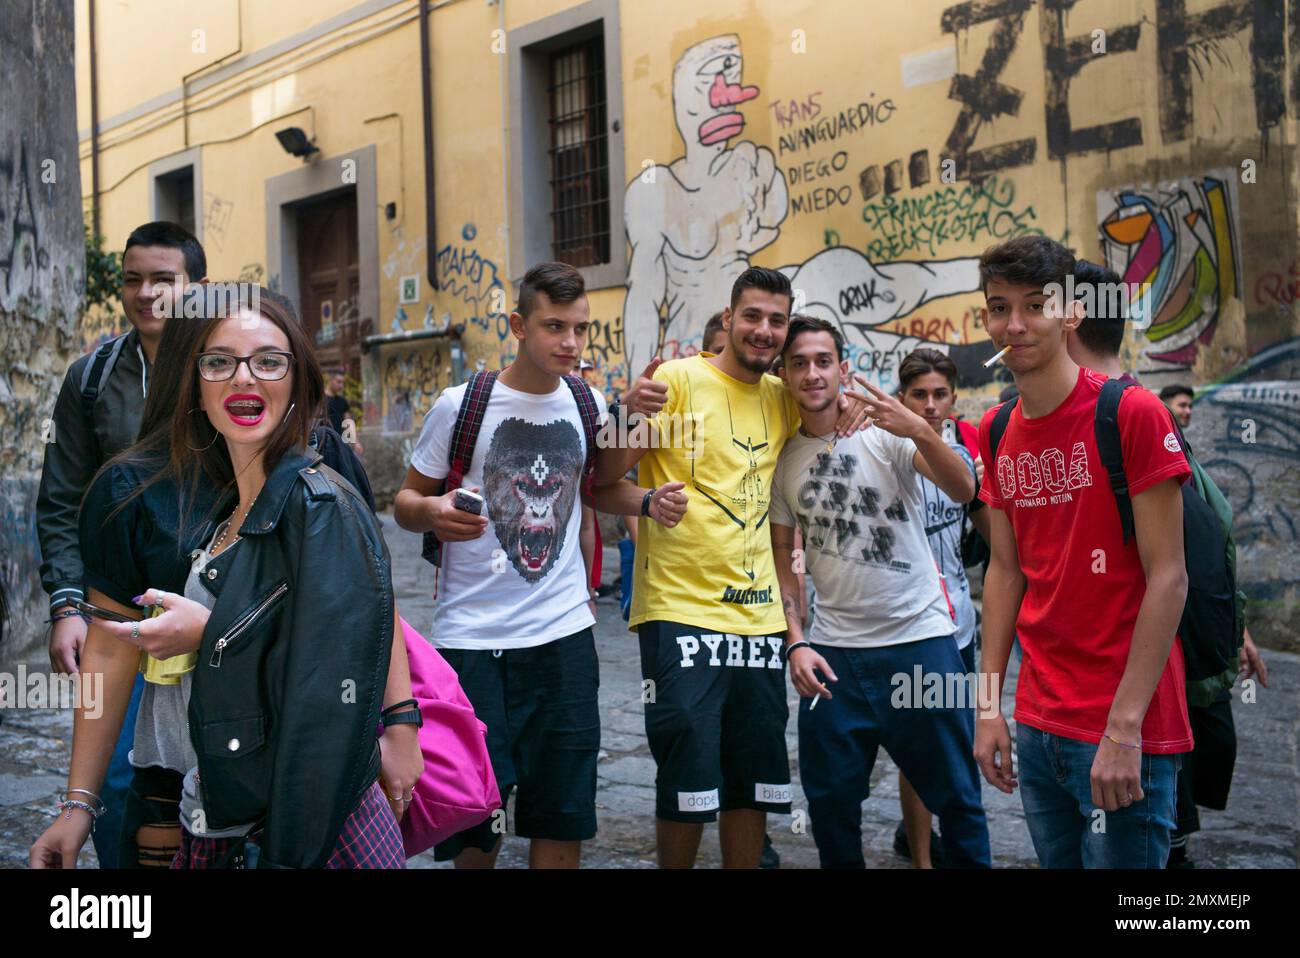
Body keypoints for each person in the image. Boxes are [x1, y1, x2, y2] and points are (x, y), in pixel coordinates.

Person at [31, 290, 423, 869]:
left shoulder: (324, 472)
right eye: (218, 362)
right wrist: (78, 803)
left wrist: (401, 724)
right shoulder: (130, 492)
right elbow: (112, 648)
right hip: (190, 779)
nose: (246, 380)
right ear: (190, 377)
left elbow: (367, 608)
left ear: (296, 377)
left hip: (319, 773)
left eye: (268, 361)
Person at [396, 262, 687, 869]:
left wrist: (649, 502)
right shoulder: (463, 405)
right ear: (517, 325)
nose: (571, 343)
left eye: (580, 328)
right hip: (471, 640)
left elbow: (599, 488)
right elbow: (404, 502)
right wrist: (433, 511)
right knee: (476, 811)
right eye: (555, 326)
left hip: (563, 638)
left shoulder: (585, 403)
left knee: (562, 808)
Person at [596, 267, 870, 869]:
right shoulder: (676, 381)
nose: (764, 331)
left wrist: (851, 404)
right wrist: (624, 416)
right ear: (728, 318)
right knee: (689, 772)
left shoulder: (781, 396)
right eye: (752, 316)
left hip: (761, 617)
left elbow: (828, 409)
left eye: (777, 320)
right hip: (680, 610)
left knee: (752, 776)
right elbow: (601, 480)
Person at [973, 235, 1193, 869]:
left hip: (1124, 726)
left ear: (1071, 311)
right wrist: (989, 709)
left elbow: (1169, 579)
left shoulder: (1132, 413)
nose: (1014, 325)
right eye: (998, 307)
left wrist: (1124, 730)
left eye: (1035, 305)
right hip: (1040, 721)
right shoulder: (995, 430)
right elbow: (1006, 573)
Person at [1065, 261, 1268, 869]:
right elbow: (1207, 537)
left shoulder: (1114, 419)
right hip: (1163, 689)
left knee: (1145, 851)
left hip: (1139, 698)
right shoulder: (1137, 410)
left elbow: (1182, 560)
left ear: (1064, 320)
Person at [767, 319, 989, 869]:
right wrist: (796, 640)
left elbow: (964, 489)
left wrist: (918, 426)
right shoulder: (783, 458)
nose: (813, 373)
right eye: (799, 363)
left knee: (959, 799)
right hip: (835, 653)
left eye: (823, 361)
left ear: (843, 369)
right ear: (785, 375)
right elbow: (781, 556)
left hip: (921, 642)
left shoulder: (886, 431)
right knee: (831, 805)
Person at [36, 221, 205, 867]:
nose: (145, 293)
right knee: (114, 776)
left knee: (213, 767)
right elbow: (60, 502)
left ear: (199, 288)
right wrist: (68, 604)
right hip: (122, 613)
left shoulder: (228, 369)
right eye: (133, 279)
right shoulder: (89, 380)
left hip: (216, 610)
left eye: (163, 279)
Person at [891, 346, 991, 867]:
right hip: (909, 625)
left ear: (953, 398)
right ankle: (921, 854)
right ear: (900, 396)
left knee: (956, 741)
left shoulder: (966, 451)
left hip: (959, 623)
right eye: (919, 395)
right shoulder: (886, 446)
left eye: (939, 394)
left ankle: (945, 841)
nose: (930, 405)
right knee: (919, 748)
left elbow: (991, 529)